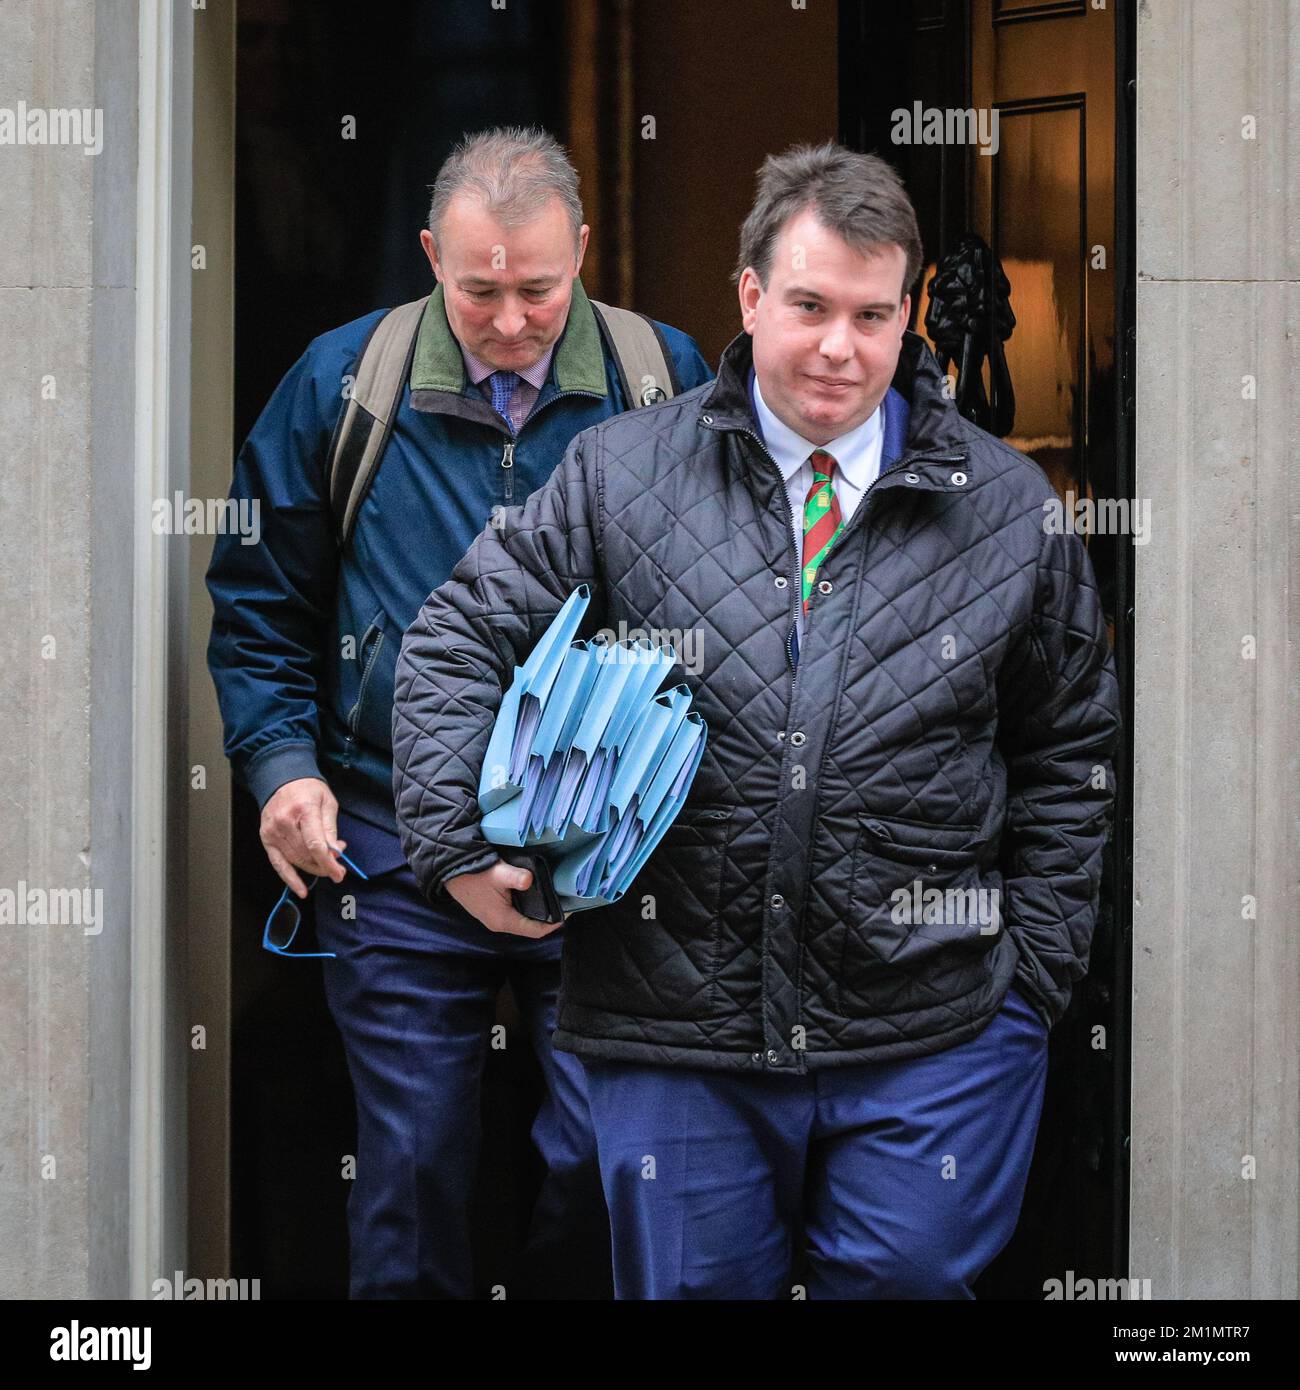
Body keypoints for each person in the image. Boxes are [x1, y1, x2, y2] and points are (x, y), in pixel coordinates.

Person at [391, 141, 1122, 1299]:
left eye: (872, 315)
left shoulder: (1008, 509)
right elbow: (456, 635)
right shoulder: (617, 474)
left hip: (933, 1034)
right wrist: (455, 841)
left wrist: (1029, 988)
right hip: (674, 1034)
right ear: (747, 295)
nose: (839, 345)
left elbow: (1067, 748)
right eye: (809, 306)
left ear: (907, 315)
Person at [205, 125, 713, 1299]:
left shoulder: (661, 375)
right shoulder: (345, 381)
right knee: (413, 1162)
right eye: (479, 289)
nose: (512, 320)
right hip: (387, 839)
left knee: (606, 1158)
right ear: (432, 255)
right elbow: (259, 600)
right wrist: (283, 768)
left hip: (602, 842)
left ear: (582, 250)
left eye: (538, 288)